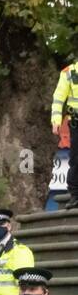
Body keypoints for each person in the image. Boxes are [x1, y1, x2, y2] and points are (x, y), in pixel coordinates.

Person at [53, 59, 78, 208]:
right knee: (76, 159)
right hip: (77, 122)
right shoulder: (69, 72)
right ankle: (75, 195)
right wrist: (56, 120)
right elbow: (58, 98)